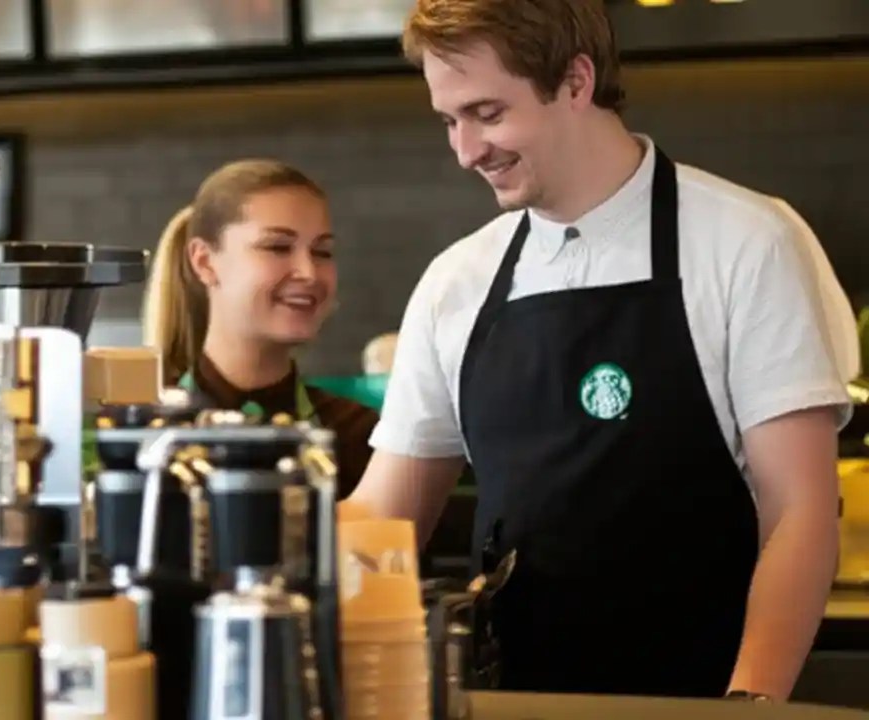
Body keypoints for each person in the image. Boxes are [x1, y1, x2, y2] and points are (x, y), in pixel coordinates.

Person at [347, 0, 860, 702]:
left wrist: (748, 710)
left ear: (577, 80)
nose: (466, 150)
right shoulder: (455, 284)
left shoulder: (747, 242)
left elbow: (799, 511)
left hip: (702, 699)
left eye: (488, 114)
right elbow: (385, 518)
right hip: (508, 703)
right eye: (449, 120)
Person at [142, 158, 378, 498]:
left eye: (323, 251)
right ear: (205, 262)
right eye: (277, 247)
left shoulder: (358, 434)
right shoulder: (146, 433)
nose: (309, 272)